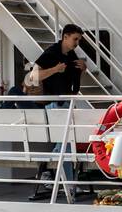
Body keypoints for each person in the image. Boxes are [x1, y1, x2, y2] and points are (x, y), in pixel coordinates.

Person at [33, 25, 88, 188]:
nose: (77, 43)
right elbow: (33, 75)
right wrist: (55, 69)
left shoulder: (70, 54)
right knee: (65, 143)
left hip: (66, 102)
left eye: (78, 40)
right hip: (54, 103)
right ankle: (59, 178)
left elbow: (72, 76)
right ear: (65, 37)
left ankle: (59, 178)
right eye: (75, 39)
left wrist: (83, 69)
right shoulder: (51, 53)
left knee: (66, 143)